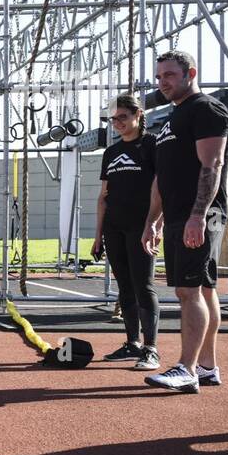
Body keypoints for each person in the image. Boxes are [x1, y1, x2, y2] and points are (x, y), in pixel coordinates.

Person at [143, 50, 228, 393]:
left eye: (169, 75)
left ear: (190, 73)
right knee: (204, 291)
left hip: (200, 215)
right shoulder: (170, 119)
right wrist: (154, 220)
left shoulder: (205, 109)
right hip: (179, 215)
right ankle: (207, 367)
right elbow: (164, 177)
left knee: (188, 291)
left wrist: (198, 215)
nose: (163, 82)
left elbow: (212, 166)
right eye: (159, 77)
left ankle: (187, 369)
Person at [92, 94, 160, 371]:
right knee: (125, 287)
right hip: (114, 227)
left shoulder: (152, 145)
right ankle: (132, 343)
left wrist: (156, 225)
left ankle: (151, 349)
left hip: (141, 226)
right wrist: (98, 237)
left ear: (138, 114)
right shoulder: (111, 152)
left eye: (123, 117)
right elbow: (103, 197)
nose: (118, 123)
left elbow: (162, 189)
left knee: (144, 287)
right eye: (114, 118)